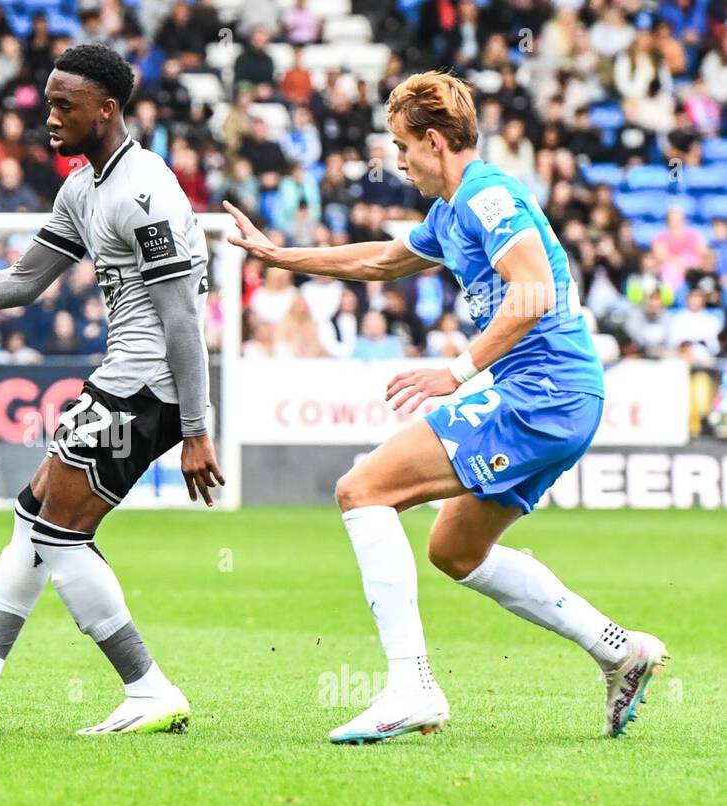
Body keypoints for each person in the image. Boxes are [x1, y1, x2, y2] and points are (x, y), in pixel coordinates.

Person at [226, 71, 668, 744]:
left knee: (363, 489)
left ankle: (411, 686)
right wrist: (277, 253)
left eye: (402, 147)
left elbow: (534, 291)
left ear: (435, 142)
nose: (398, 162)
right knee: (454, 549)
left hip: (542, 391)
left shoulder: (489, 196)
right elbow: (380, 259)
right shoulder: (452, 211)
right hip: (557, 396)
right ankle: (617, 648)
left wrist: (456, 372)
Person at [0, 44, 223, 735]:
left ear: (106, 110)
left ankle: (148, 688)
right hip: (125, 383)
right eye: (47, 103)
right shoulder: (83, 188)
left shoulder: (147, 192)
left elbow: (182, 319)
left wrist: (196, 430)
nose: (48, 118)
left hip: (149, 388)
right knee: (35, 513)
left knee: (59, 532)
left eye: (63, 106)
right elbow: (24, 282)